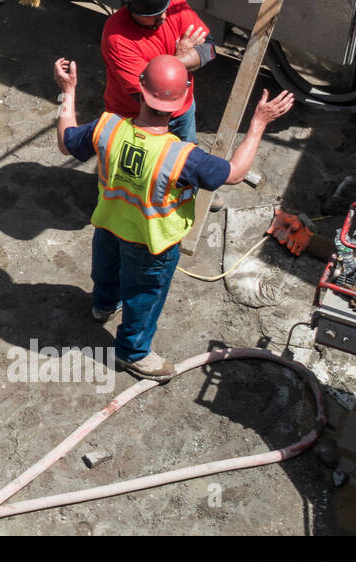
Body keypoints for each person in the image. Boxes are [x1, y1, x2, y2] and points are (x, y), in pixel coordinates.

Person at [53, 53, 294, 381]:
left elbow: (66, 143)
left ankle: (103, 306)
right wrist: (258, 124)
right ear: (181, 103)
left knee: (107, 272)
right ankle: (133, 353)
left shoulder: (106, 126)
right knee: (144, 296)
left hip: (108, 225)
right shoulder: (183, 157)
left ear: (140, 88)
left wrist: (67, 90)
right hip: (151, 245)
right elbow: (236, 173)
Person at [102, 0, 216, 143]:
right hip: (136, 120)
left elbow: (208, 48)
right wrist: (179, 61)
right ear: (132, 10)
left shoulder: (172, 3)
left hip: (183, 112)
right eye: (154, 15)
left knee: (185, 164)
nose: (163, 16)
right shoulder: (117, 38)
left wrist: (170, 66)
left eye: (164, 9)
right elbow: (149, 99)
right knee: (145, 169)